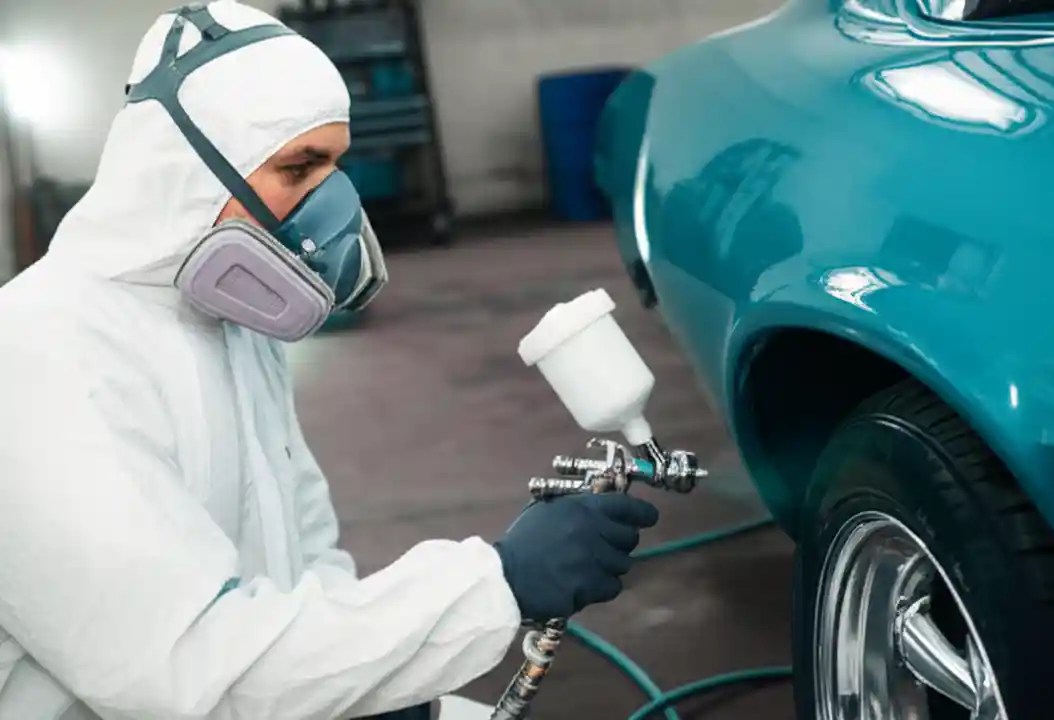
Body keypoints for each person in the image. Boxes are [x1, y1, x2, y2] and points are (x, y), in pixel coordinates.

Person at [0, 2, 659, 719]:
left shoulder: (229, 325)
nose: (333, 205)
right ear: (187, 174)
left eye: (334, 165)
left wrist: (378, 692)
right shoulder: (39, 356)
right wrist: (494, 583)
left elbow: (305, 563)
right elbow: (185, 672)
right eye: (299, 167)